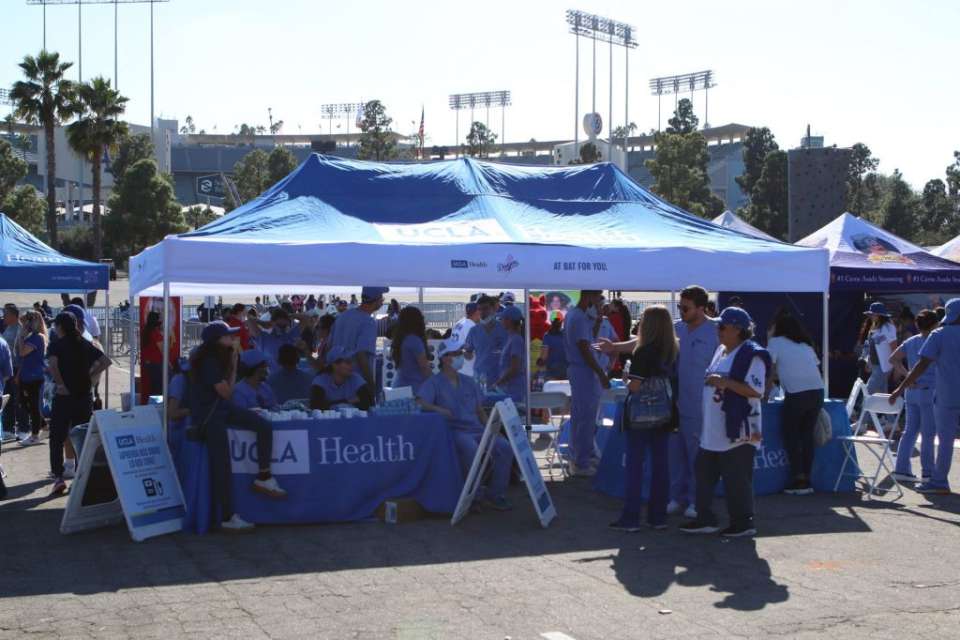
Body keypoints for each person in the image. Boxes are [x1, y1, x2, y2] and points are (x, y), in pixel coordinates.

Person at [601, 286, 718, 515]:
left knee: (697, 456)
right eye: (679, 307)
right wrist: (615, 347)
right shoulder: (677, 328)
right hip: (673, 404)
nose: (681, 311)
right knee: (674, 455)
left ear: (702, 308)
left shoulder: (715, 331)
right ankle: (675, 497)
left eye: (686, 308)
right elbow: (644, 341)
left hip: (701, 405)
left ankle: (695, 500)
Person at [189, 320, 287, 532]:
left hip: (223, 410)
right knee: (222, 466)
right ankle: (226, 516)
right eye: (228, 336)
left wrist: (232, 361)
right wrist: (233, 363)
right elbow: (227, 392)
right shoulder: (208, 362)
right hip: (211, 415)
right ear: (217, 340)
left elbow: (227, 393)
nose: (233, 338)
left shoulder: (216, 358)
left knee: (263, 425)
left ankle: (264, 476)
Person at [680, 307, 767, 537]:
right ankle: (705, 517)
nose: (717, 330)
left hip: (740, 428)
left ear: (737, 329)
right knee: (703, 472)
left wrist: (724, 382)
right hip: (714, 428)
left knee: (737, 479)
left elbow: (756, 391)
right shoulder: (721, 350)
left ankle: (743, 522)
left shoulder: (751, 354)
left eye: (722, 326)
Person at [417, 341, 513, 511]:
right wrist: (437, 408)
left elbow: (479, 410)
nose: (461, 356)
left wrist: (490, 430)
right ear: (445, 358)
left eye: (460, 353)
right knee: (471, 449)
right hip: (455, 431)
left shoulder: (469, 381)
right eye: (456, 354)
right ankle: (472, 497)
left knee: (504, 447)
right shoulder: (434, 383)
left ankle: (496, 494)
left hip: (476, 428)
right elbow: (420, 401)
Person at [609, 305, 678, 533]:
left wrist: (627, 377)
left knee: (635, 467)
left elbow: (635, 386)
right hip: (665, 413)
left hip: (640, 417)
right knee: (661, 467)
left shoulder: (644, 351)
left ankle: (631, 518)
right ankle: (657, 517)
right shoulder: (672, 349)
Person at [891, 298, 960, 494]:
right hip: (936, 394)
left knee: (943, 441)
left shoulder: (939, 335)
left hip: (945, 395)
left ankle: (938, 481)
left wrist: (900, 388)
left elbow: (921, 365)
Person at [47, 312, 112, 496]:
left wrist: (60, 384)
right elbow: (106, 361)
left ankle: (59, 477)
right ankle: (82, 478)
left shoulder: (56, 345)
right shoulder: (84, 343)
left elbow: (52, 364)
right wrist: (90, 376)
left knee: (57, 437)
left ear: (60, 326)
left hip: (64, 397)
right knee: (81, 438)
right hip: (83, 397)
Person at [767, 314, 825, 495]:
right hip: (817, 391)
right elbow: (814, 367)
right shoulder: (805, 345)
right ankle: (806, 479)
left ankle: (798, 479)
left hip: (797, 394)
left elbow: (769, 371)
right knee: (807, 436)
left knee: (790, 435)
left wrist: (764, 393)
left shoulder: (775, 342)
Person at [563, 290, 610, 477]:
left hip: (581, 371)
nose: (599, 303)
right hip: (584, 372)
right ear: (589, 297)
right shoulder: (579, 317)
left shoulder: (577, 316)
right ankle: (580, 462)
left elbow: (589, 341)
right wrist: (600, 372)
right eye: (598, 298)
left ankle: (581, 455)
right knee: (586, 418)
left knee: (581, 416)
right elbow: (584, 349)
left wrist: (597, 322)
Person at [889, 309, 938, 484]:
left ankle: (901, 469)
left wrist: (907, 375)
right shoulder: (935, 341)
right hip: (929, 391)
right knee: (928, 434)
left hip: (911, 391)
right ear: (935, 324)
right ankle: (928, 473)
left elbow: (893, 359)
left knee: (909, 431)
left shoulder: (911, 341)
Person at [328, 286, 387, 389]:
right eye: (382, 298)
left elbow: (329, 346)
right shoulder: (368, 322)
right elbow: (361, 355)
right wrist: (370, 384)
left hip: (336, 379)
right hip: (356, 382)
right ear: (376, 300)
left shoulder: (343, 316)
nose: (382, 301)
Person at [16, 311, 47, 448]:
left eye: (25, 322)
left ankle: (35, 434)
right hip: (26, 375)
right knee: (25, 403)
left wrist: (22, 336)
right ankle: (43, 425)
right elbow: (22, 357)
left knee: (34, 406)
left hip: (35, 377)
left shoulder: (37, 337)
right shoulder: (30, 337)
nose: (23, 325)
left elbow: (22, 352)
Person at [463, 295, 508, 389]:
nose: (482, 312)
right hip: (480, 377)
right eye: (479, 309)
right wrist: (461, 353)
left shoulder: (503, 329)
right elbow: (468, 353)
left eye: (485, 308)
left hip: (500, 378)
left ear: (493, 309)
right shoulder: (474, 331)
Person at [310, 346, 374, 411]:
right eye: (348, 362)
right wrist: (348, 401)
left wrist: (331, 404)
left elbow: (369, 403)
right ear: (334, 365)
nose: (352, 365)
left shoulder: (355, 378)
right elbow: (316, 406)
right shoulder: (320, 381)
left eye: (352, 361)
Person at [391, 306, 433, 393]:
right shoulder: (414, 340)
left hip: (399, 387)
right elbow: (424, 367)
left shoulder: (401, 338)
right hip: (413, 390)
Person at [494, 305, 527, 407]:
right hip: (509, 389)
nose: (501, 322)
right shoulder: (511, 338)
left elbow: (514, 368)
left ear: (509, 321)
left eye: (502, 319)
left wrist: (498, 383)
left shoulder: (516, 340)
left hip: (514, 390)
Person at [864, 302, 898, 397]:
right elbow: (871, 346)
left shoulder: (888, 327)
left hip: (883, 366)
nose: (871, 316)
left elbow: (894, 347)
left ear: (879, 315)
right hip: (875, 365)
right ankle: (885, 411)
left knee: (868, 391)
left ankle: (864, 411)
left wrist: (896, 366)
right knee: (881, 393)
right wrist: (868, 361)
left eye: (873, 314)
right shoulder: (873, 327)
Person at [2, 304, 22, 440]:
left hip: (15, 370)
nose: (4, 317)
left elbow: (21, 354)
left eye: (6, 314)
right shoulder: (8, 328)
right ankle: (8, 428)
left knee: (17, 400)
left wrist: (18, 374)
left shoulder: (20, 329)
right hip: (7, 369)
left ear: (14, 315)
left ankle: (21, 428)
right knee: (7, 400)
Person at [140, 311, 165, 401]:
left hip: (149, 362)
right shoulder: (155, 333)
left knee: (153, 387)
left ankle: (152, 407)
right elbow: (163, 349)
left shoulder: (146, 331)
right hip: (156, 363)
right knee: (158, 388)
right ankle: (157, 408)